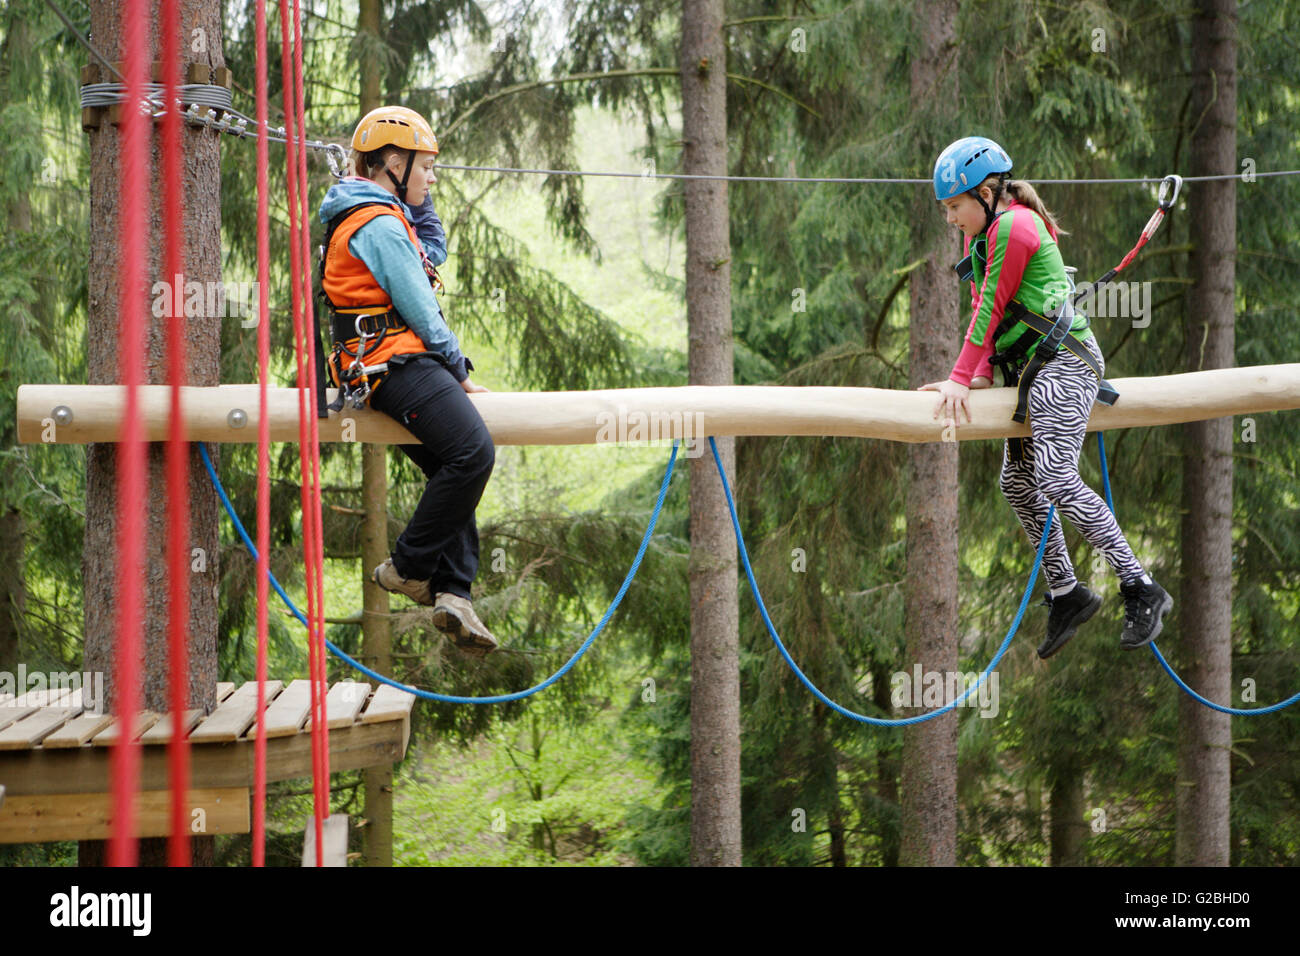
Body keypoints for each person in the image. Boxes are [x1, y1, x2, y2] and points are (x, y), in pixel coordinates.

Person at [918, 136, 1173, 659]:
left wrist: (958, 379)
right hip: (1032, 373)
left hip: (1065, 364)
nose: (949, 218)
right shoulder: (981, 241)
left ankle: (1141, 585)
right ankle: (1067, 593)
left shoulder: (1016, 227)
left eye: (953, 206)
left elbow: (989, 307)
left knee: (1055, 476)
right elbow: (987, 314)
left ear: (986, 193)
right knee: (1016, 482)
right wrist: (982, 374)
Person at [318, 105, 498, 659]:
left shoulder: (385, 216)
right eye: (425, 166)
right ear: (393, 162)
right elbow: (421, 308)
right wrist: (457, 367)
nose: (434, 176)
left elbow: (431, 253)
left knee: (455, 467)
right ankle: (408, 566)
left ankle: (453, 593)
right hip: (392, 363)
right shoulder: (376, 224)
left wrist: (417, 197)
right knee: (472, 453)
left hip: (388, 360)